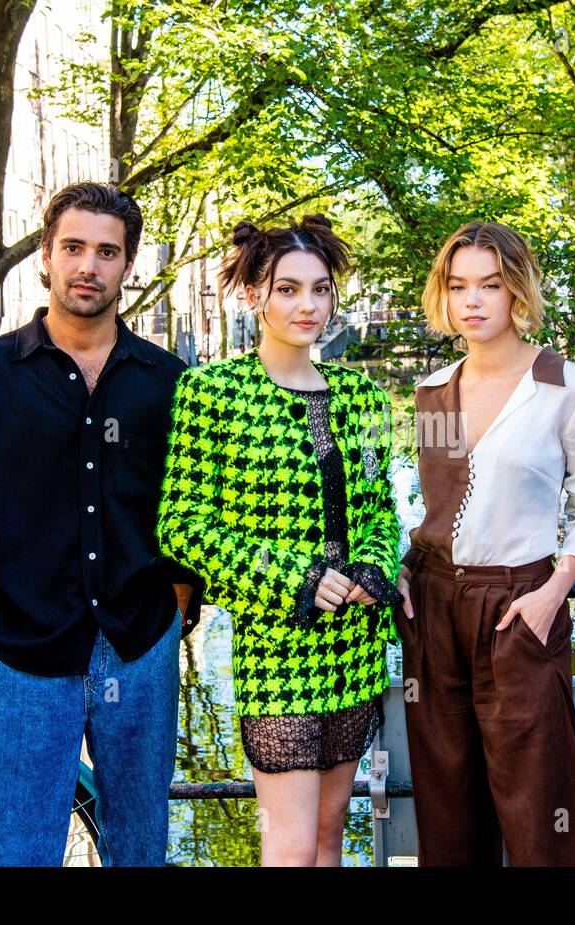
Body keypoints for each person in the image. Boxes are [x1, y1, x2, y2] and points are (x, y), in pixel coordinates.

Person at [0, 182, 201, 866]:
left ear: (128, 265)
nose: (89, 265)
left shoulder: (169, 381)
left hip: (138, 644)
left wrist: (177, 598)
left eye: (107, 252)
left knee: (138, 850)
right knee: (10, 852)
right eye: (73, 247)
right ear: (47, 257)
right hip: (22, 645)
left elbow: (191, 506)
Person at [157, 215, 402, 867]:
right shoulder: (212, 393)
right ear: (254, 295)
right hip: (277, 652)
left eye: (320, 289)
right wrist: (291, 577)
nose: (307, 305)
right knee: (289, 847)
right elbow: (182, 525)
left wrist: (375, 568)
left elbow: (382, 510)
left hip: (353, 651)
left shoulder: (363, 397)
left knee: (327, 840)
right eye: (288, 289)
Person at [394, 221, 575, 866]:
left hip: (520, 602)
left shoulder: (568, 389)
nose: (473, 301)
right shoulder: (433, 390)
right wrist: (404, 570)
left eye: (490, 285)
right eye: (459, 285)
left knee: (538, 800)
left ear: (517, 291)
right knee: (445, 798)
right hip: (433, 603)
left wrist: (555, 591)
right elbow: (427, 501)